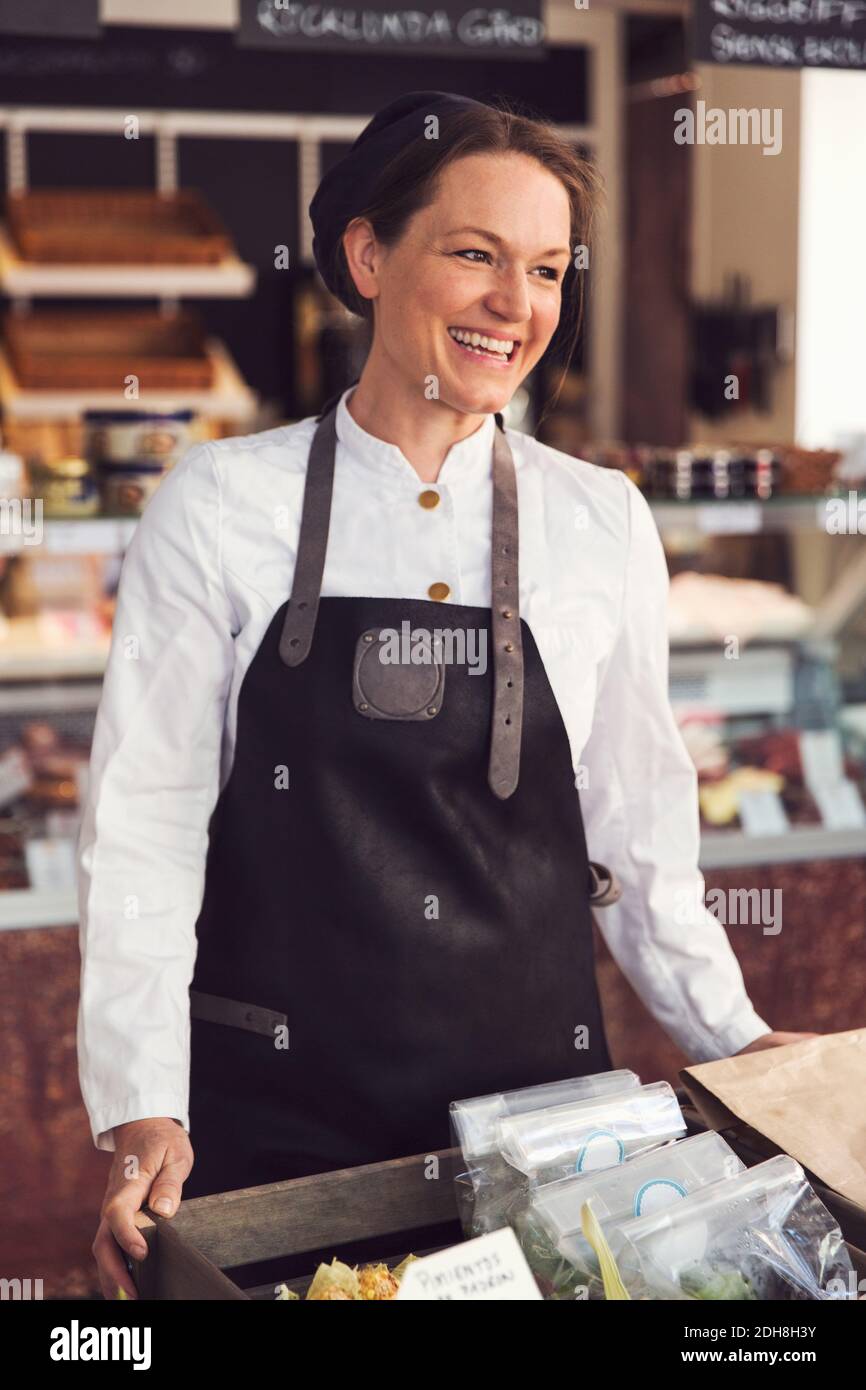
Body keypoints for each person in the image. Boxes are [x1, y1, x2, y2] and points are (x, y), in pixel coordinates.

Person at [78, 91, 815, 1299]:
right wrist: (142, 1110)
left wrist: (732, 1041)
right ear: (368, 257)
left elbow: (633, 827)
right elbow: (143, 832)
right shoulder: (217, 504)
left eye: (542, 269)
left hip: (535, 1129)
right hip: (275, 1119)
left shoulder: (600, 520)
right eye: (473, 254)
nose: (514, 305)